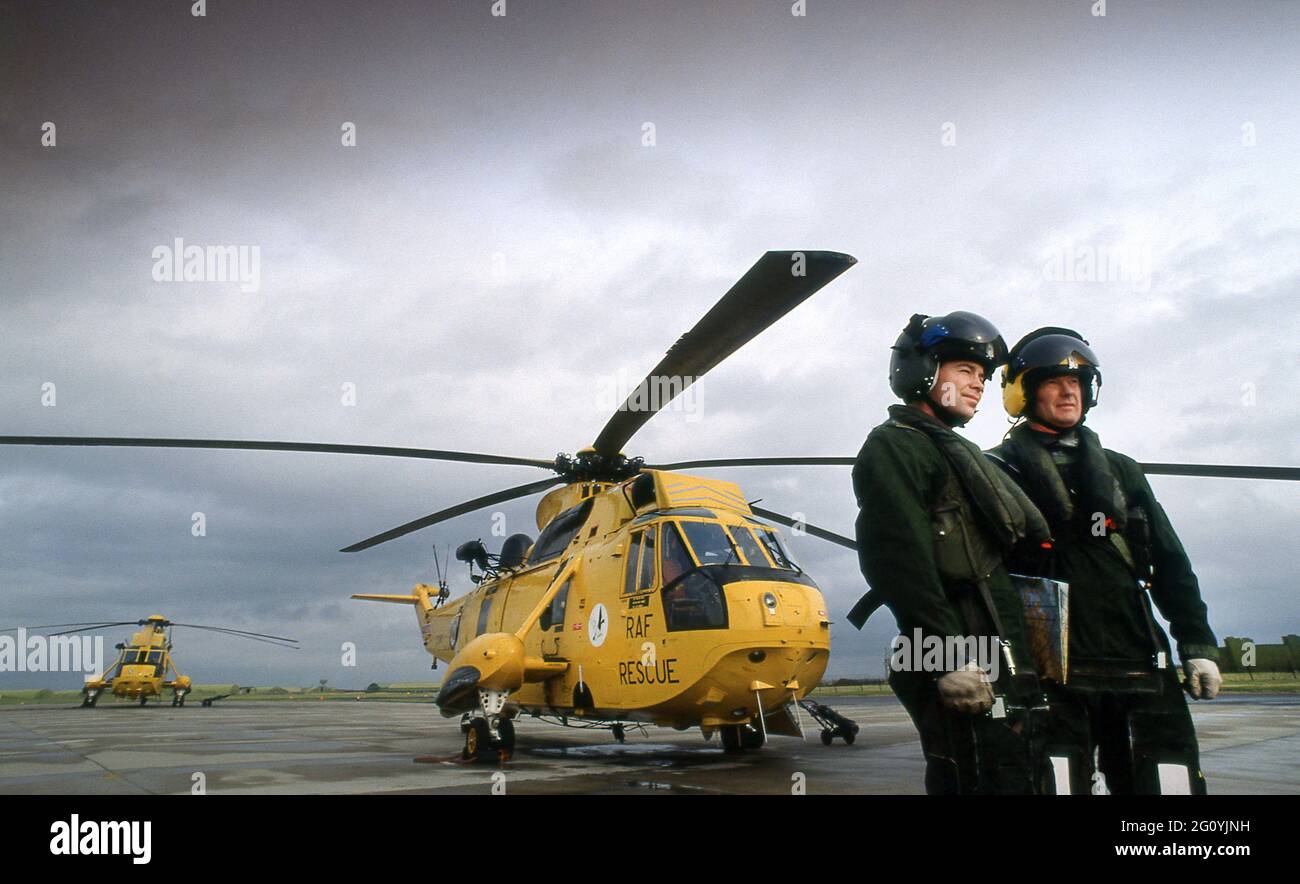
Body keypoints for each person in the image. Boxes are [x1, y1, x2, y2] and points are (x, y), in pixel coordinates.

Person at [987, 327, 1221, 794]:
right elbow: (981, 574)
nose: (1069, 390)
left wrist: (1197, 644)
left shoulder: (1120, 471)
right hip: (1050, 668)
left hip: (1138, 658)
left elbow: (1171, 562)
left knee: (1167, 784)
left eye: (1078, 381)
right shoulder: (995, 471)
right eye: (1054, 381)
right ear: (1024, 391)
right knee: (1052, 782)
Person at [851, 312, 1053, 794]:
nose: (978, 385)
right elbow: (900, 561)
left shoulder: (959, 457)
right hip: (960, 652)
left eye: (983, 376)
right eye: (965, 369)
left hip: (998, 653)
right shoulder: (896, 446)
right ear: (922, 369)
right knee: (972, 776)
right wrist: (946, 657)